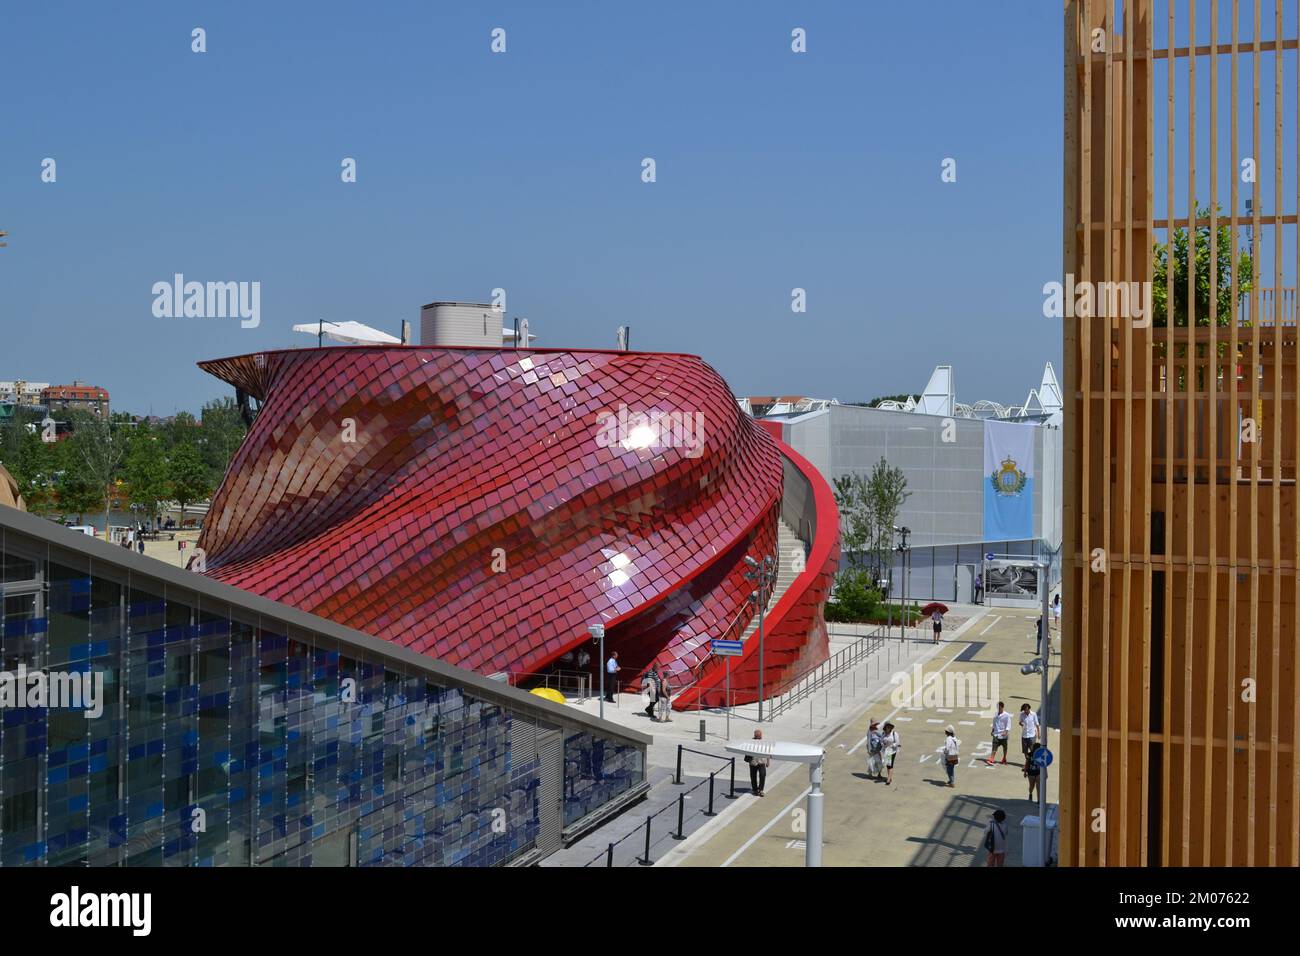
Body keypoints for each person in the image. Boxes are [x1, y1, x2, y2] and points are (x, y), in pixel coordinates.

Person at [746, 729, 770, 797]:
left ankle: (761, 790)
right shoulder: (751, 742)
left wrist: (768, 761)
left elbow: (768, 752)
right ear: (755, 736)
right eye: (758, 736)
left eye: (760, 736)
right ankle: (755, 790)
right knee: (753, 776)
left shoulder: (764, 742)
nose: (760, 737)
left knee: (763, 775)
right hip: (753, 762)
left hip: (762, 762)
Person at [987, 701, 1011, 765]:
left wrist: (1006, 731)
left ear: (1003, 707)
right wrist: (992, 730)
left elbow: (1008, 724)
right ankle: (991, 759)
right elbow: (994, 723)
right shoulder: (995, 714)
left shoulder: (1006, 715)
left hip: (1003, 735)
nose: (999, 709)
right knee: (994, 747)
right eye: (998, 708)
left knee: (1005, 748)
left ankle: (1004, 758)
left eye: (1000, 708)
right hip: (996, 734)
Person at [1019, 703, 1040, 769]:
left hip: (1032, 735)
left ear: (1029, 709)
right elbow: (1020, 722)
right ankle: (1027, 763)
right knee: (1025, 751)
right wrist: (1021, 724)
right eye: (1024, 710)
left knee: (1033, 750)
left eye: (1026, 710)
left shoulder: (1033, 714)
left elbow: (1037, 724)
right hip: (1024, 735)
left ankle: (1034, 763)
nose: (1025, 711)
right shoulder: (1022, 714)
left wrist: (1039, 733)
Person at [881, 721, 901, 786]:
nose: (888, 728)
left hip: (892, 751)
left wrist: (892, 745)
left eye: (889, 726)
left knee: (890, 764)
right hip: (886, 751)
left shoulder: (894, 734)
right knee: (887, 764)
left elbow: (897, 742)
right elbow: (881, 741)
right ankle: (890, 777)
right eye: (887, 726)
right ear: (885, 727)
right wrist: (883, 744)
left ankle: (888, 779)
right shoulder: (883, 734)